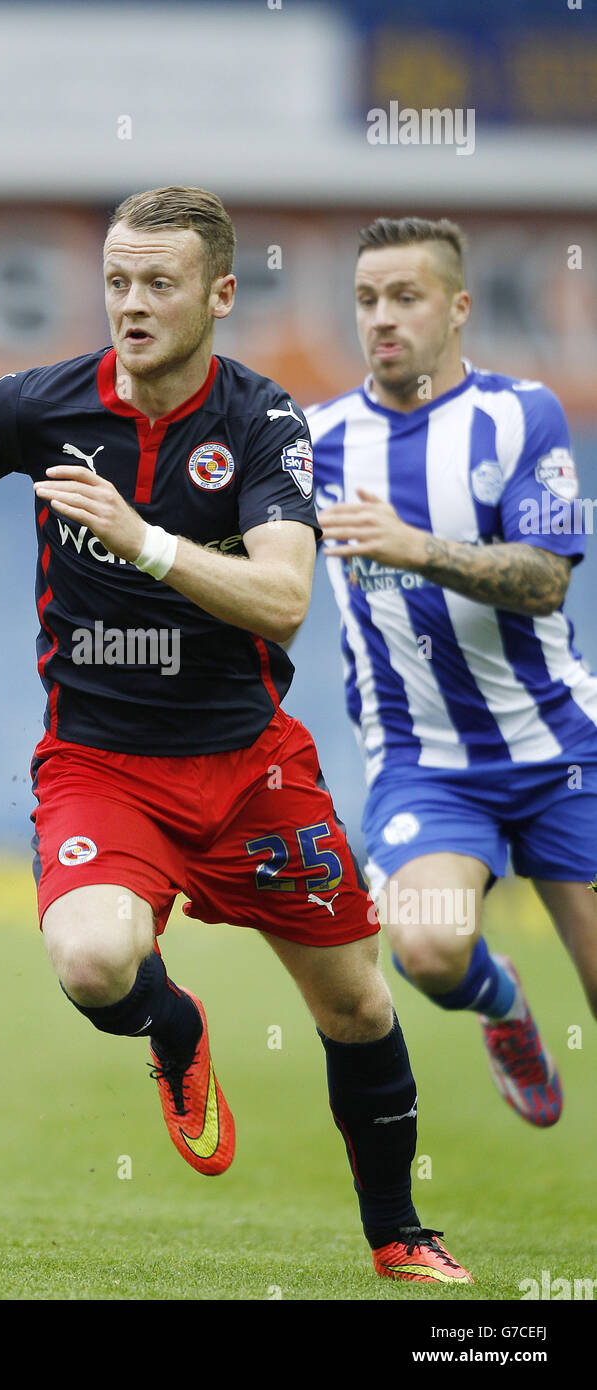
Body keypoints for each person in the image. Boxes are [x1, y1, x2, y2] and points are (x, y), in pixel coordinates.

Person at [0, 187, 470, 1284]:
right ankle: (173, 1028)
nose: (130, 304)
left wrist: (146, 539)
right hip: (101, 763)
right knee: (90, 962)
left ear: (218, 294)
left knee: (357, 1002)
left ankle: (397, 1233)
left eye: (158, 284)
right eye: (117, 281)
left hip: (249, 763)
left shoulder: (263, 423)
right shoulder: (42, 406)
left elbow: (281, 600)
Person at [310, 215, 597, 1130]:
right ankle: (502, 1005)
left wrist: (412, 547)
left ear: (458, 307)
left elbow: (544, 580)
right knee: (429, 948)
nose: (381, 319)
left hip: (559, 750)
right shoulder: (313, 441)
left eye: (405, 297)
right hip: (424, 764)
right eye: (365, 300)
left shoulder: (521, 414)